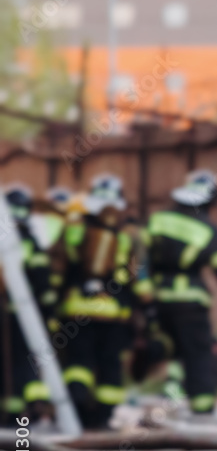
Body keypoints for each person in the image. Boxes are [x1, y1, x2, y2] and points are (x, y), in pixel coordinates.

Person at [147, 169, 217, 416]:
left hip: (158, 299)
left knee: (172, 348)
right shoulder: (207, 230)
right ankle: (202, 408)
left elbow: (139, 256)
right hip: (189, 302)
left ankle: (171, 395)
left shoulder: (158, 219)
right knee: (198, 353)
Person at [60, 174, 155, 429]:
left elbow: (63, 266)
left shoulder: (74, 230)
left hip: (77, 310)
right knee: (110, 363)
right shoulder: (129, 236)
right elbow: (138, 276)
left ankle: (77, 405)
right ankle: (102, 417)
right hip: (114, 314)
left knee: (79, 362)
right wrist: (148, 306)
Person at [0, 185, 57, 422]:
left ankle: (10, 414)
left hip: (5, 316)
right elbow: (42, 277)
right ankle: (29, 412)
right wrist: (50, 311)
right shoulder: (29, 240)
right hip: (25, 317)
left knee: (6, 364)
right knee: (28, 363)